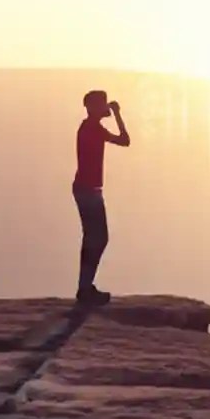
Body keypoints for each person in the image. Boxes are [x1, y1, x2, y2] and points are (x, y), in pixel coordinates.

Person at [72, 89, 130, 306]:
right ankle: (85, 288)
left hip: (88, 189)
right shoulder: (92, 129)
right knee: (97, 238)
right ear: (93, 107)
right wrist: (117, 114)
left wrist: (114, 113)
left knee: (94, 238)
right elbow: (124, 140)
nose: (106, 106)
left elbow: (125, 141)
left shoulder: (92, 127)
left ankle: (85, 287)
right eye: (102, 104)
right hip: (88, 190)